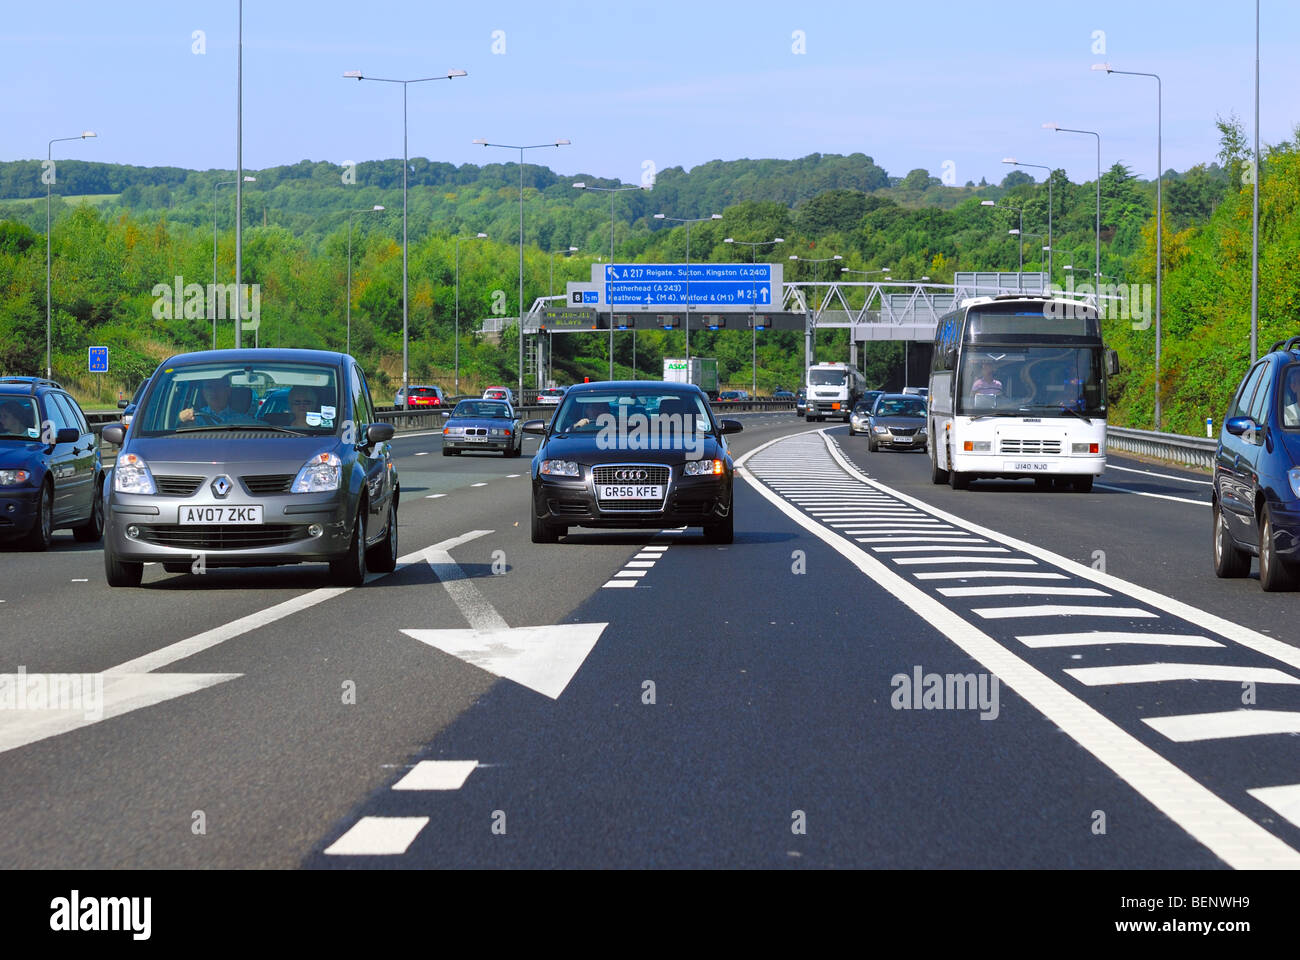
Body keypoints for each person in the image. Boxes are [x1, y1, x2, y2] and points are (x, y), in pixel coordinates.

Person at [178, 375, 251, 425]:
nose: (213, 391)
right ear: (203, 393)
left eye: (218, 386)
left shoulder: (243, 421)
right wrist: (181, 420)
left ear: (228, 391)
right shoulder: (194, 418)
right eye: (209, 387)